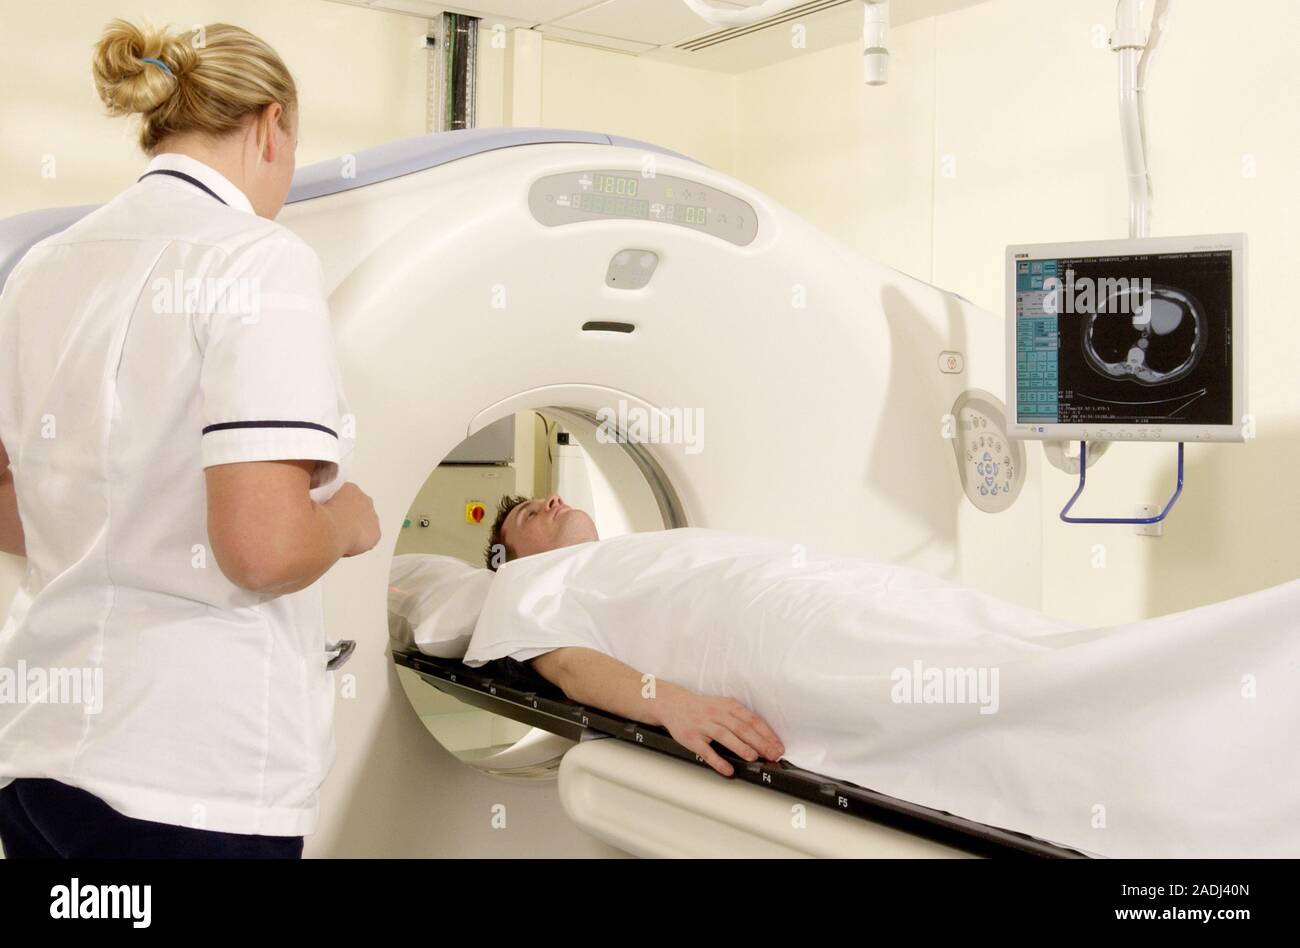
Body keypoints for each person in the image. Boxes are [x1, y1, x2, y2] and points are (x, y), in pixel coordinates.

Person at [0, 19, 380, 858]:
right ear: (271, 125)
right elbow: (264, 550)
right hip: (191, 778)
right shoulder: (256, 260)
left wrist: (127, 525)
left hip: (38, 756)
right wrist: (351, 519)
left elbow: (9, 503)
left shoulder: (42, 267)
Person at [482, 494, 785, 775]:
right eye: (531, 514)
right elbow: (569, 668)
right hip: (768, 634)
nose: (553, 499)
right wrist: (675, 704)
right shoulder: (535, 597)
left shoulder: (627, 553)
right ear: (517, 566)